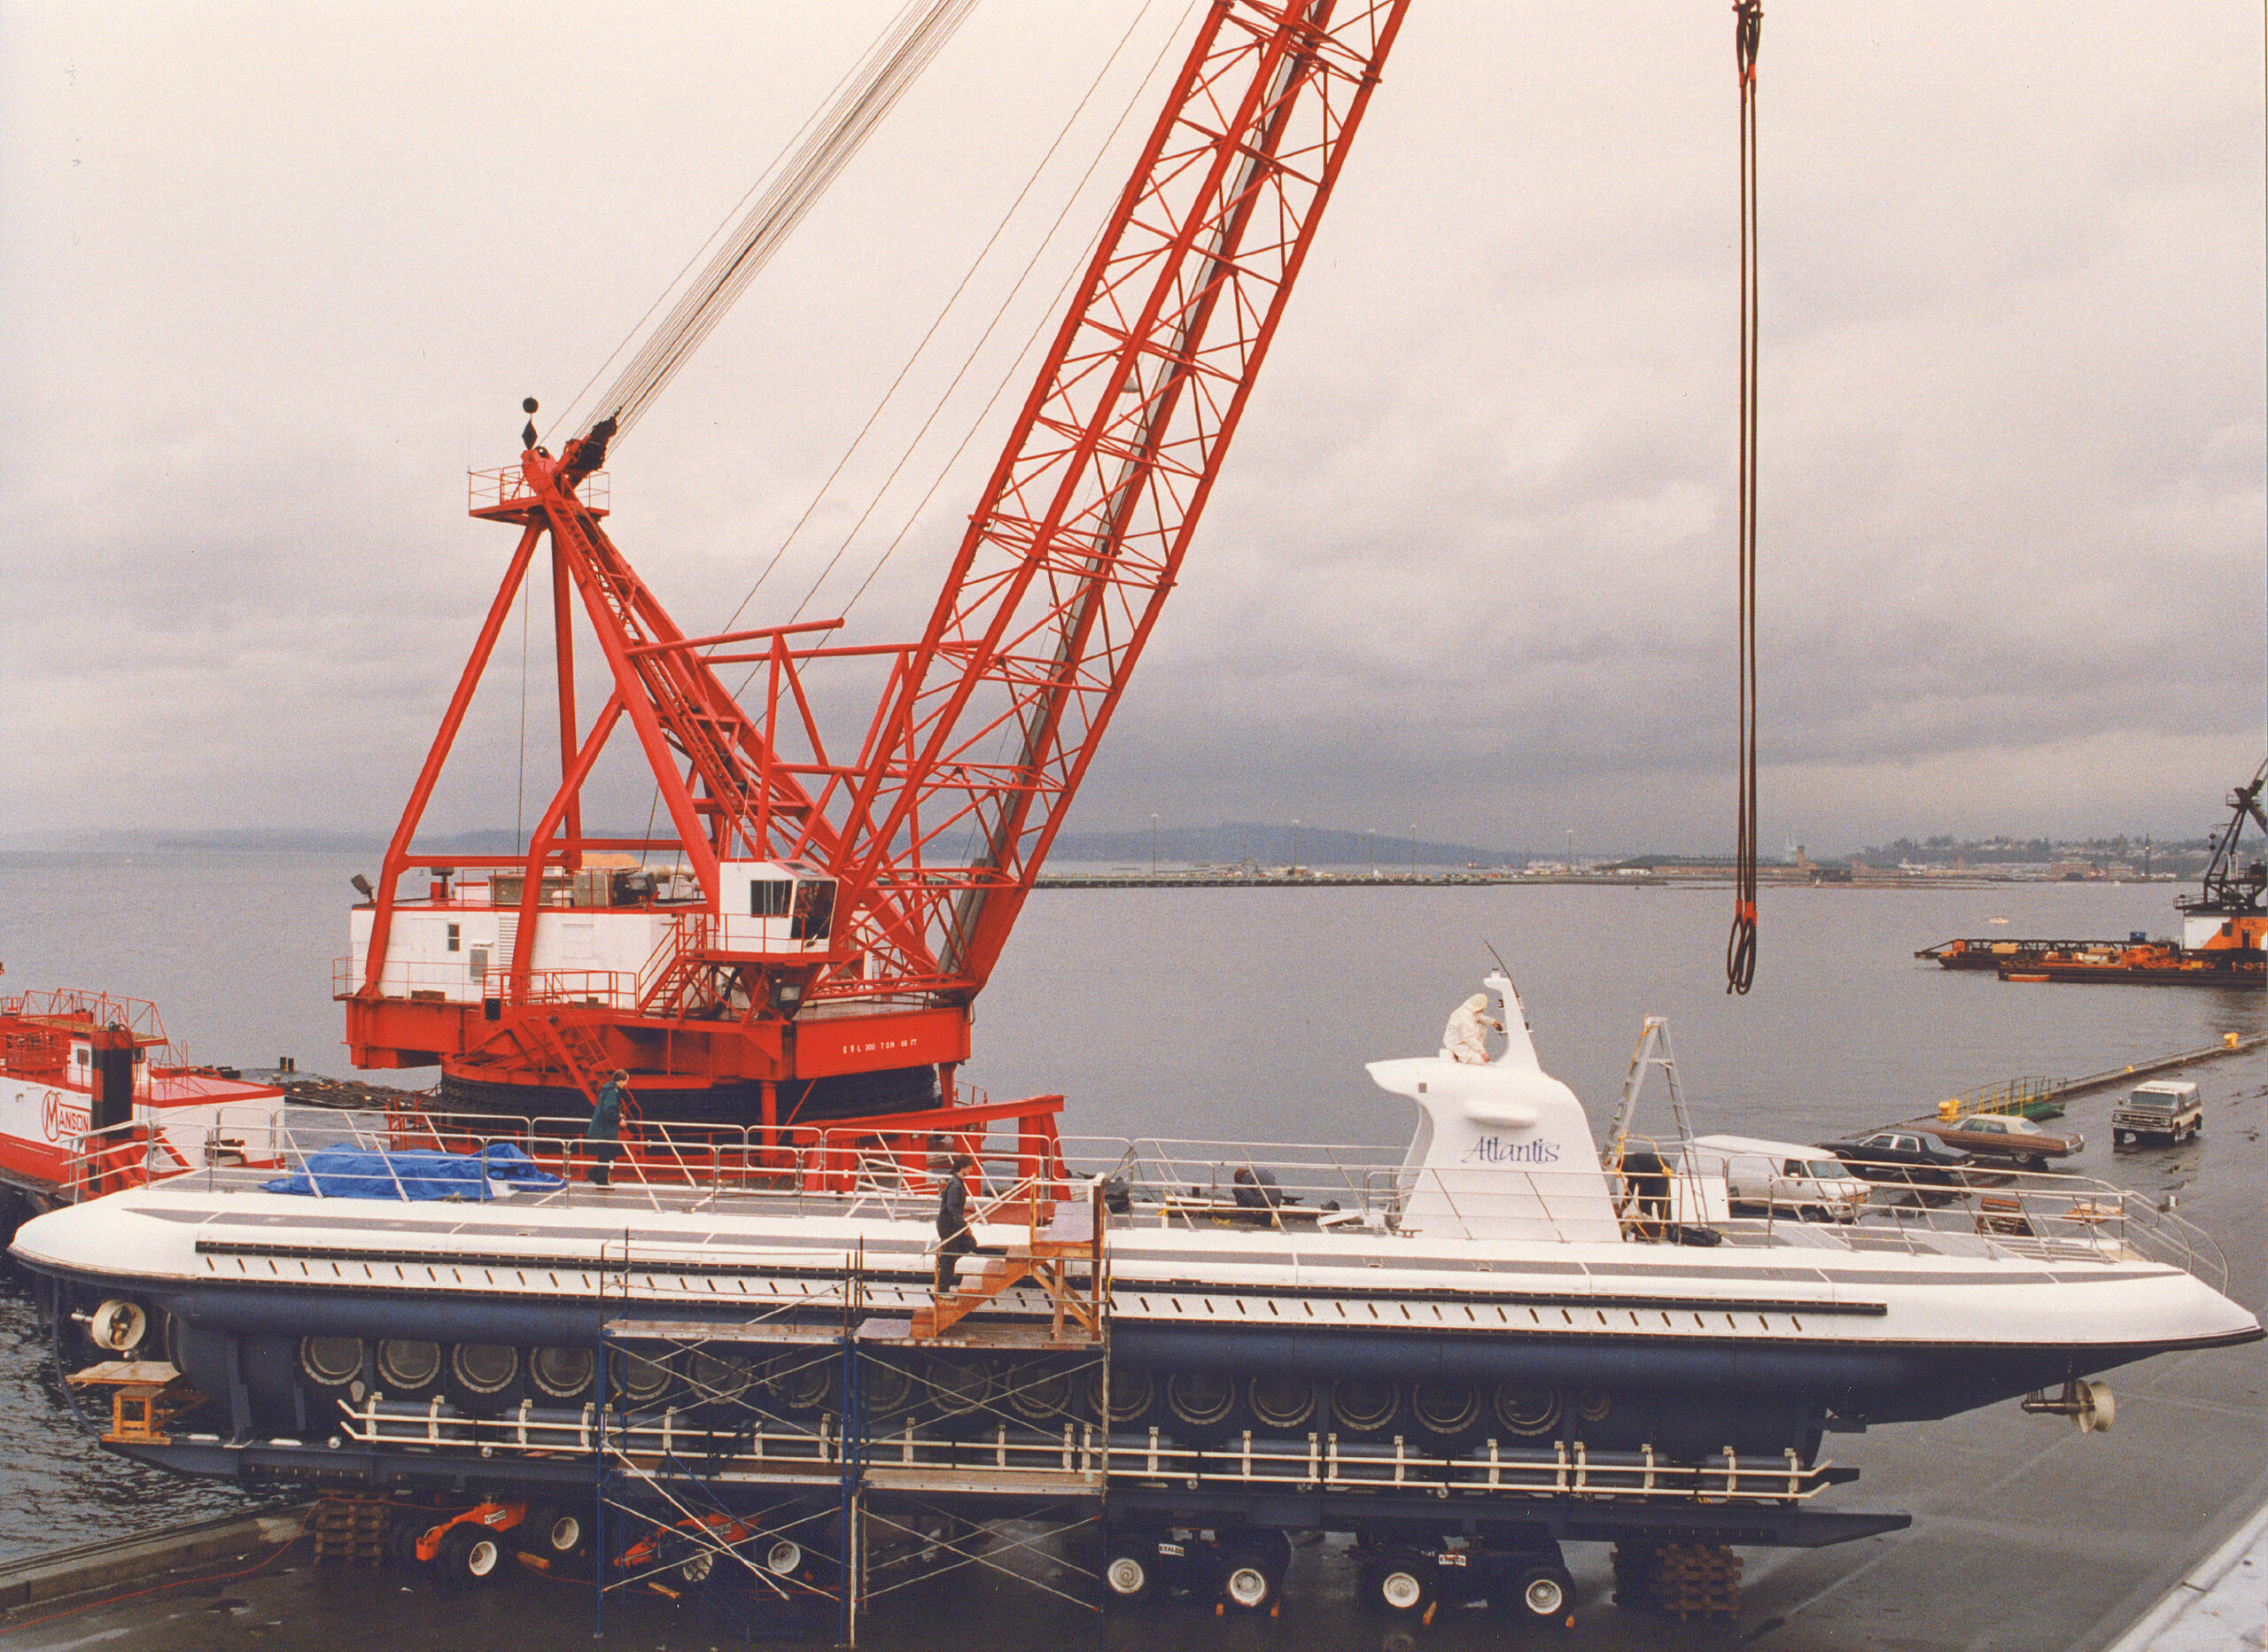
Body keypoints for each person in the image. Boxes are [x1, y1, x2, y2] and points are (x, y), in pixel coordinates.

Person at [933, 1153, 975, 1299]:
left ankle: (945, 1261)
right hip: (948, 1225)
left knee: (966, 1246)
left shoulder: (958, 1183)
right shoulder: (955, 1185)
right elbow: (952, 1209)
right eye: (969, 1167)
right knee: (955, 1252)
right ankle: (943, 1289)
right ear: (963, 1167)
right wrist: (965, 1227)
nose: (971, 1170)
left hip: (953, 1224)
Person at [584, 1068, 628, 1187]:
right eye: (625, 1081)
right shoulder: (612, 1092)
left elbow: (607, 1107)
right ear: (620, 1081)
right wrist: (619, 1120)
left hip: (602, 1128)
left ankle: (599, 1177)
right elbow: (608, 1109)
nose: (626, 1084)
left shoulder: (608, 1089)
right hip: (605, 1129)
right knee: (608, 1153)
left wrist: (617, 1113)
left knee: (605, 1154)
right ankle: (599, 1178)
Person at [1442, 993, 1503, 1065]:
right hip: (1457, 1044)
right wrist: (1482, 1052)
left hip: (1462, 1042)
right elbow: (1468, 1037)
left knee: (1481, 1024)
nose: (1482, 1010)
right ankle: (1462, 1058)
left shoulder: (1468, 1012)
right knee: (1479, 1061)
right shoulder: (1465, 1015)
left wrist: (1493, 1022)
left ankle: (1467, 1055)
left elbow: (1480, 1017)